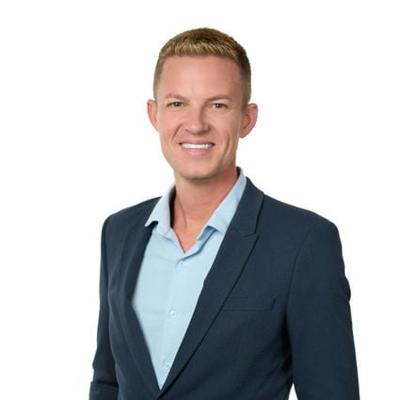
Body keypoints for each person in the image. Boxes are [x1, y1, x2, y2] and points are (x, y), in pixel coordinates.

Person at [89, 27, 360, 400]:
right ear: (154, 114)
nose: (196, 124)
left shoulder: (304, 242)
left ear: (246, 118)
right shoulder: (119, 232)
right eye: (177, 104)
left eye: (217, 105)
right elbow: (108, 382)